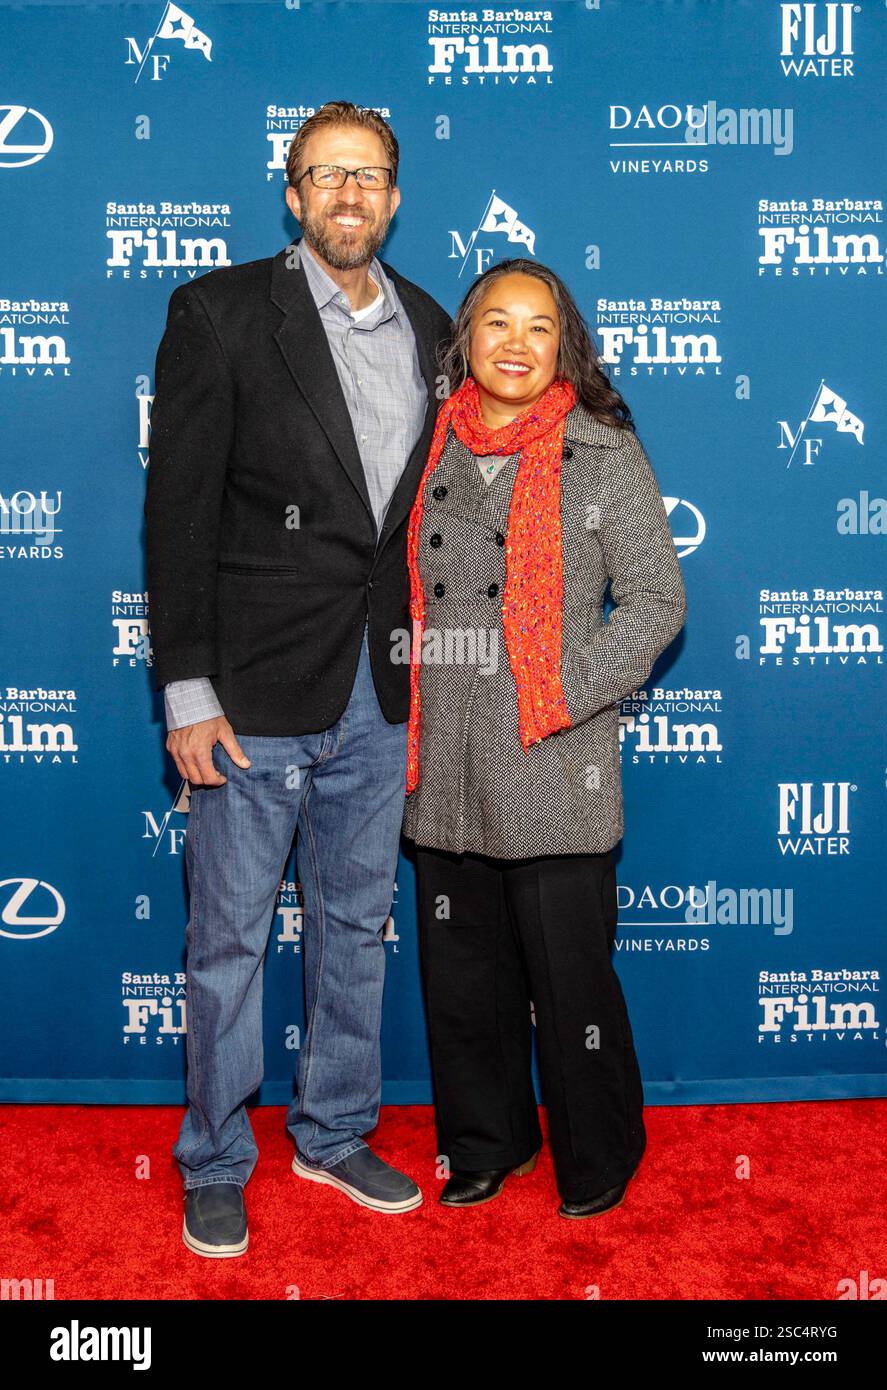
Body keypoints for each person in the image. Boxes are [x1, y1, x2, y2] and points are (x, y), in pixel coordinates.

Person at [144, 101, 450, 1257]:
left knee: (351, 927)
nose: (347, 196)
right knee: (224, 943)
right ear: (291, 192)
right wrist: (187, 692)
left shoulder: (430, 325)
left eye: (367, 176)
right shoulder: (219, 314)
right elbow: (174, 515)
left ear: (394, 195)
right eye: (325, 176)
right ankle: (214, 1156)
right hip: (249, 698)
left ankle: (330, 1130)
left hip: (378, 694)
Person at [401, 259, 688, 1218]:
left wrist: (564, 694)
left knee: (572, 985)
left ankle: (598, 1151)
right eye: (496, 323)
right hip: (441, 756)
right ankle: (488, 1143)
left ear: (562, 344)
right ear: (465, 341)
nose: (516, 344)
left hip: (554, 757)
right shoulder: (424, 444)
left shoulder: (599, 450)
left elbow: (655, 603)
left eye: (538, 326)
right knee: (462, 978)